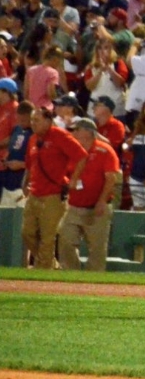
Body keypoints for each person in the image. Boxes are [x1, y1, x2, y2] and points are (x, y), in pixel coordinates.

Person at [21, 106, 87, 269]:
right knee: (27, 233)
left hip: (53, 195)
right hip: (34, 193)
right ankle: (48, 262)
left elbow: (81, 156)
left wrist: (74, 180)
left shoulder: (60, 136)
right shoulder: (32, 139)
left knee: (47, 237)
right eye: (32, 120)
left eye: (37, 120)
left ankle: (43, 272)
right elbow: (30, 164)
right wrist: (24, 182)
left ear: (48, 121)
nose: (33, 123)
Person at [57, 118, 120, 272]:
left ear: (88, 132)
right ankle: (71, 275)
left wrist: (101, 201)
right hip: (74, 206)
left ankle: (93, 283)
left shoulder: (104, 151)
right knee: (65, 240)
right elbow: (62, 173)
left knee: (97, 249)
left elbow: (111, 178)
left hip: (97, 208)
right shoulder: (71, 151)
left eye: (77, 130)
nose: (74, 133)